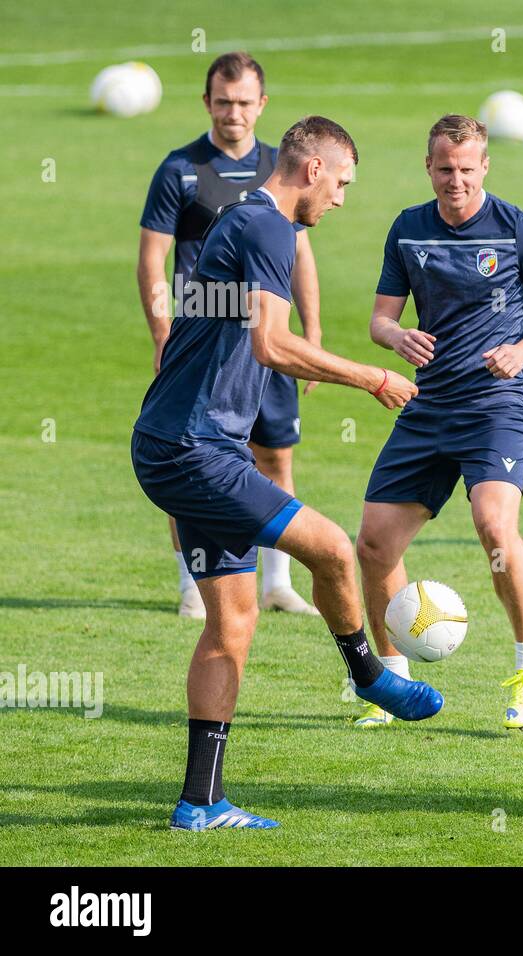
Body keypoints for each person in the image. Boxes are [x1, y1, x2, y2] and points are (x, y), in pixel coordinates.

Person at [132, 116, 442, 830]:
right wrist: (371, 377)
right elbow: (273, 346)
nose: (341, 198)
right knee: (333, 548)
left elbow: (250, 332)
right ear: (312, 170)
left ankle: (199, 803)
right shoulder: (266, 225)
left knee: (232, 627)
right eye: (341, 183)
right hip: (191, 449)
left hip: (187, 446)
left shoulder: (254, 225)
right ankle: (370, 675)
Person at [354, 114, 523, 729]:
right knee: (374, 544)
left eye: (466, 168)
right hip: (426, 406)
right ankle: (393, 682)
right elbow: (379, 318)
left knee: (494, 529)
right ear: (428, 167)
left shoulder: (517, 229)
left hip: (495, 406)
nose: (455, 179)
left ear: (485, 166)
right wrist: (396, 336)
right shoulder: (408, 229)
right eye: (444, 168)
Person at [138, 51, 320, 617]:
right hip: (204, 340)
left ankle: (277, 584)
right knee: (195, 450)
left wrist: (311, 328)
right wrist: (162, 330)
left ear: (261, 104)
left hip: (267, 337)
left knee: (275, 456)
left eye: (244, 102)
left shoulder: (278, 168)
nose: (233, 113)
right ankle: (194, 584)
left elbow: (300, 254)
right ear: (207, 103)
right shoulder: (180, 169)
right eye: (223, 102)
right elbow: (153, 259)